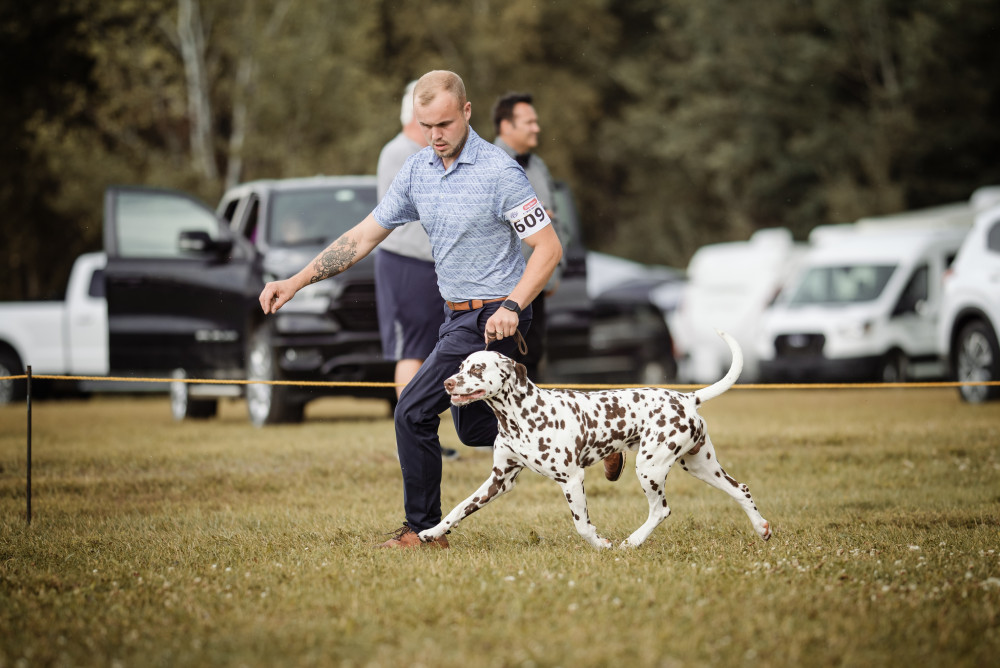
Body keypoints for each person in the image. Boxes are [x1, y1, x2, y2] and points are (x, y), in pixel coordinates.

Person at [259, 70, 563, 549]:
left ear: (466, 112)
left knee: (413, 412)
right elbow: (362, 237)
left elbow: (547, 249)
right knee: (477, 427)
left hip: (495, 318)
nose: (436, 135)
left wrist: (512, 305)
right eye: (426, 126)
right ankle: (583, 436)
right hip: (456, 315)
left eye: (444, 123)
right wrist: (295, 282)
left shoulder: (500, 172)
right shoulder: (418, 171)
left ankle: (423, 531)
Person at [492, 92, 625, 484]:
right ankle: (514, 444)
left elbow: (554, 224)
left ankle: (542, 441)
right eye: (528, 121)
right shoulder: (492, 165)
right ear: (505, 127)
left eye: (535, 121)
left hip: (536, 286)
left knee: (535, 359)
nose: (536, 127)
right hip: (504, 289)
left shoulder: (539, 165)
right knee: (503, 366)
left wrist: (554, 274)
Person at [375, 80, 459, 462]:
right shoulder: (400, 154)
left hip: (429, 264)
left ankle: (424, 432)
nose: (436, 132)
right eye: (430, 122)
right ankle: (413, 434)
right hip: (407, 262)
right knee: (410, 347)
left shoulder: (422, 151)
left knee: (428, 349)